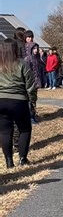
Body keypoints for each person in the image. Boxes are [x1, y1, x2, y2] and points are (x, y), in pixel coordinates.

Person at [0, 39, 36, 168]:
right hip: (18, 100)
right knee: (25, 129)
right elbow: (31, 85)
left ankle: (9, 162)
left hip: (1, 101)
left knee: (5, 132)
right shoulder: (22, 64)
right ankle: (22, 158)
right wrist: (32, 101)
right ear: (15, 49)